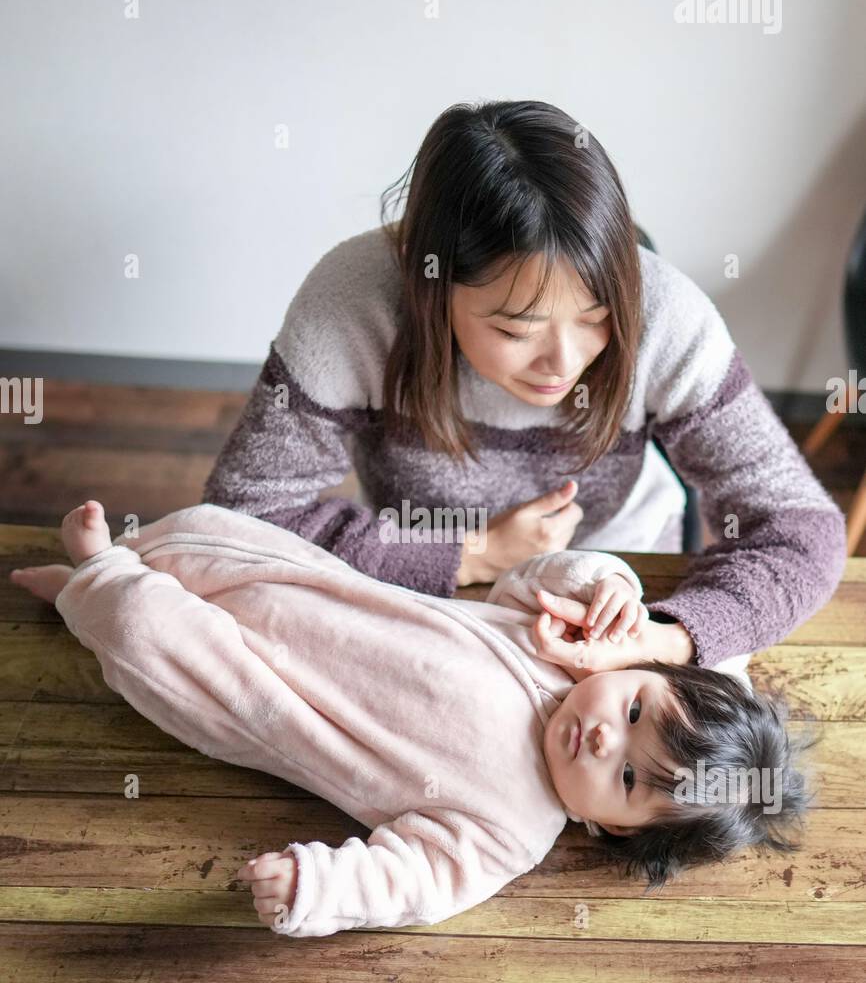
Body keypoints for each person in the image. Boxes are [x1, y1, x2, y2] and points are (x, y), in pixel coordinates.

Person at [201, 98, 847, 672]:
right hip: (421, 576)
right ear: (431, 290)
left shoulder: (667, 314)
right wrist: (472, 555)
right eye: (517, 329)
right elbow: (243, 515)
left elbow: (803, 530)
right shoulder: (352, 305)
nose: (563, 364)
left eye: (597, 320)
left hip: (621, 574)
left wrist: (667, 634)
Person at [10, 500, 815, 939]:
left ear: (610, 829)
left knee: (152, 633)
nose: (605, 737)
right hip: (310, 590)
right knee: (210, 532)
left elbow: (414, 884)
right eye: (634, 708)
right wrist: (604, 588)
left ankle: (96, 581)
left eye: (628, 778)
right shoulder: (558, 652)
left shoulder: (511, 828)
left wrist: (316, 887)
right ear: (635, 665)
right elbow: (526, 580)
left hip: (255, 690)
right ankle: (100, 575)